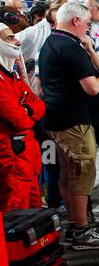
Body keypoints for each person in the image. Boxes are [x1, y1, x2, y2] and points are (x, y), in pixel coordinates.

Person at [37, 2, 99, 249]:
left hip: (57, 118)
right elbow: (93, 87)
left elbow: (41, 87)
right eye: (86, 22)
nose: (87, 26)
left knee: (68, 175)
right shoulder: (69, 47)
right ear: (75, 21)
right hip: (73, 121)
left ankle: (76, 225)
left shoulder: (51, 43)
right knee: (81, 175)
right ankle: (82, 230)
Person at [0, 25, 45, 211]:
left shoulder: (13, 74)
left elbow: (39, 106)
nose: (17, 41)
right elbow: (20, 119)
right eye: (10, 38)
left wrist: (25, 108)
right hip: (12, 158)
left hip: (26, 155)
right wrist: (27, 109)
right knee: (15, 214)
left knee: (34, 209)